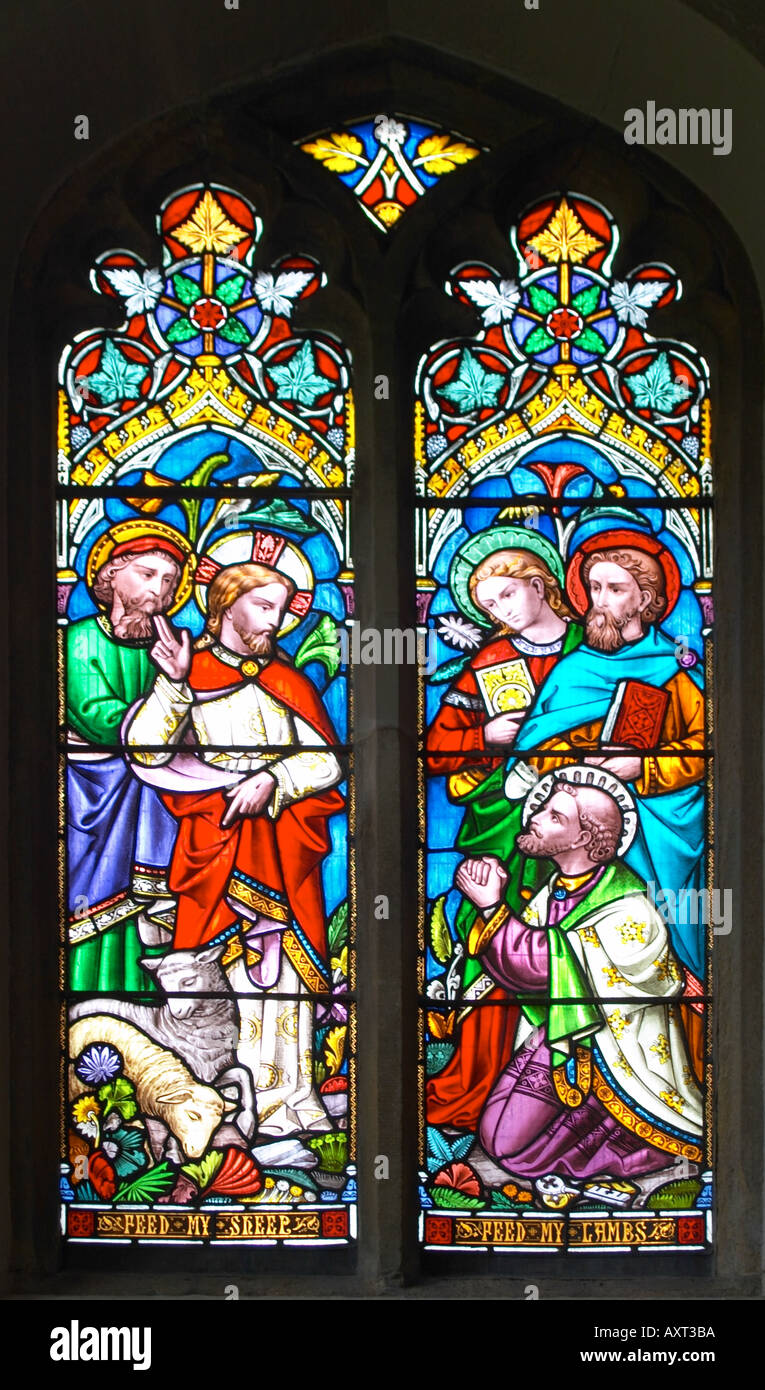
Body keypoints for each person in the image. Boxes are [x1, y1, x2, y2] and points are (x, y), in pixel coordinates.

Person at [124, 533, 344, 1137]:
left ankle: (292, 1101)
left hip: (282, 848)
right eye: (263, 606)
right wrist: (172, 685)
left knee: (285, 978)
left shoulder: (288, 680)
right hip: (214, 848)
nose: (274, 620)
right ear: (224, 602)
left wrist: (274, 778)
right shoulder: (189, 671)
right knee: (223, 977)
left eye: (282, 608)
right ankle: (234, 1102)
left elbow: (327, 761)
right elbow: (145, 750)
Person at [456, 767, 703, 1192]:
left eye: (554, 816)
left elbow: (540, 964)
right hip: (559, 1043)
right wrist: (489, 918)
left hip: (614, 1065)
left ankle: (635, 1144)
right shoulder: (556, 889)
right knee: (495, 1134)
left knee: (512, 1148)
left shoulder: (629, 908)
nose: (534, 816)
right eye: (542, 808)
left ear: (584, 838)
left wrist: (492, 909)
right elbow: (519, 970)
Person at [426, 526, 582, 1129]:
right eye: (488, 606)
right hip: (497, 823)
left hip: (579, 825)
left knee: (571, 945)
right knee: (489, 942)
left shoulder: (589, 653)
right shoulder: (488, 661)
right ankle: (478, 1080)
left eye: (508, 595)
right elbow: (437, 753)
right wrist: (482, 738)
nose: (499, 612)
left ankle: (577, 1087)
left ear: (542, 585)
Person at [66, 522, 190, 991]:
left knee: (158, 928)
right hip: (94, 800)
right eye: (146, 574)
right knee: (94, 924)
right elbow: (101, 720)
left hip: (162, 802)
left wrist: (180, 680)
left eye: (169, 582)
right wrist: (171, 693)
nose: (157, 591)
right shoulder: (79, 640)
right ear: (111, 575)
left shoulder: (177, 645)